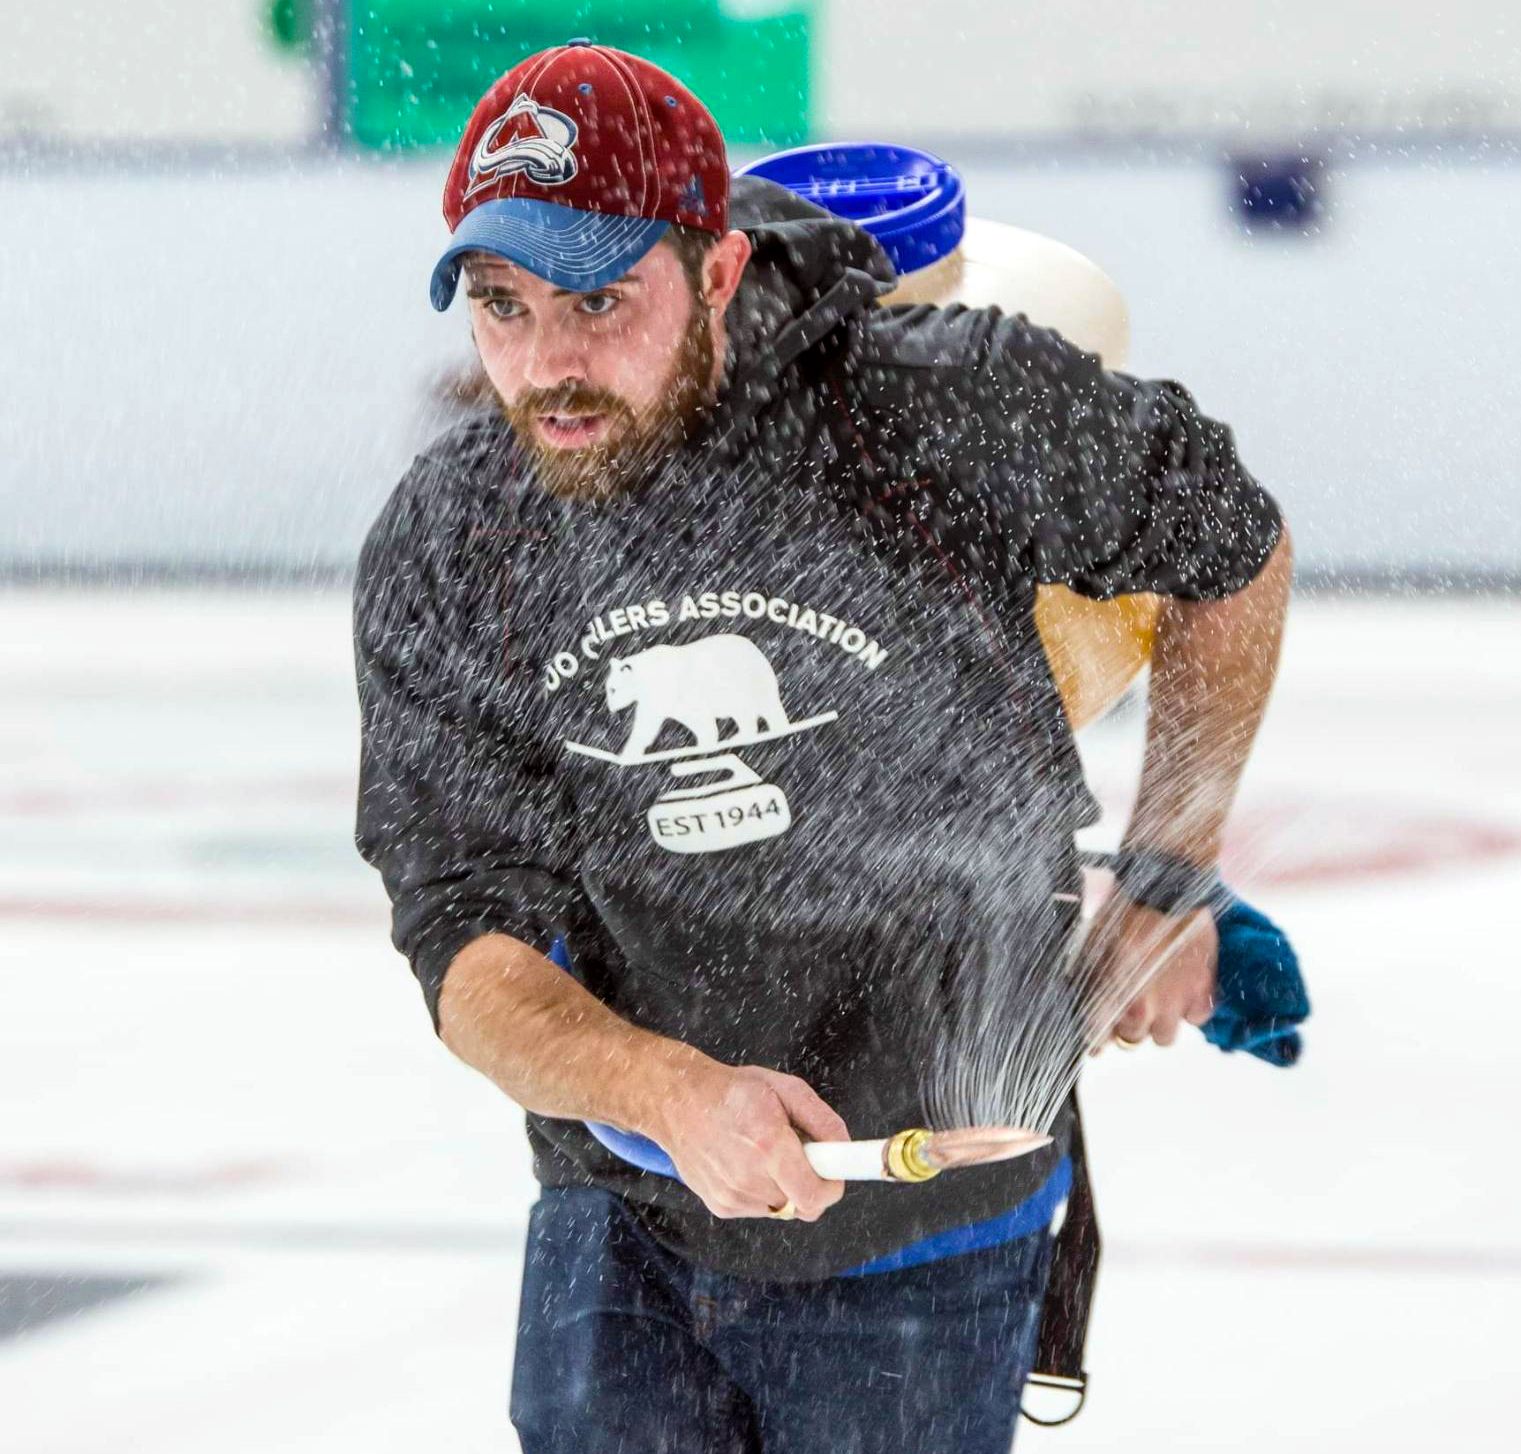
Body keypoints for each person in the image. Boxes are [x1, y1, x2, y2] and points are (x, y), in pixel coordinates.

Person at [353, 40, 1293, 1454]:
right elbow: (464, 941)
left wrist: (1170, 866)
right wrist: (670, 1093)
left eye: (601, 299)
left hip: (929, 1215)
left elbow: (1233, 550)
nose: (547, 362)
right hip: (625, 1200)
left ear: (718, 272)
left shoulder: (936, 407)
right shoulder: (457, 538)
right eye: (502, 305)